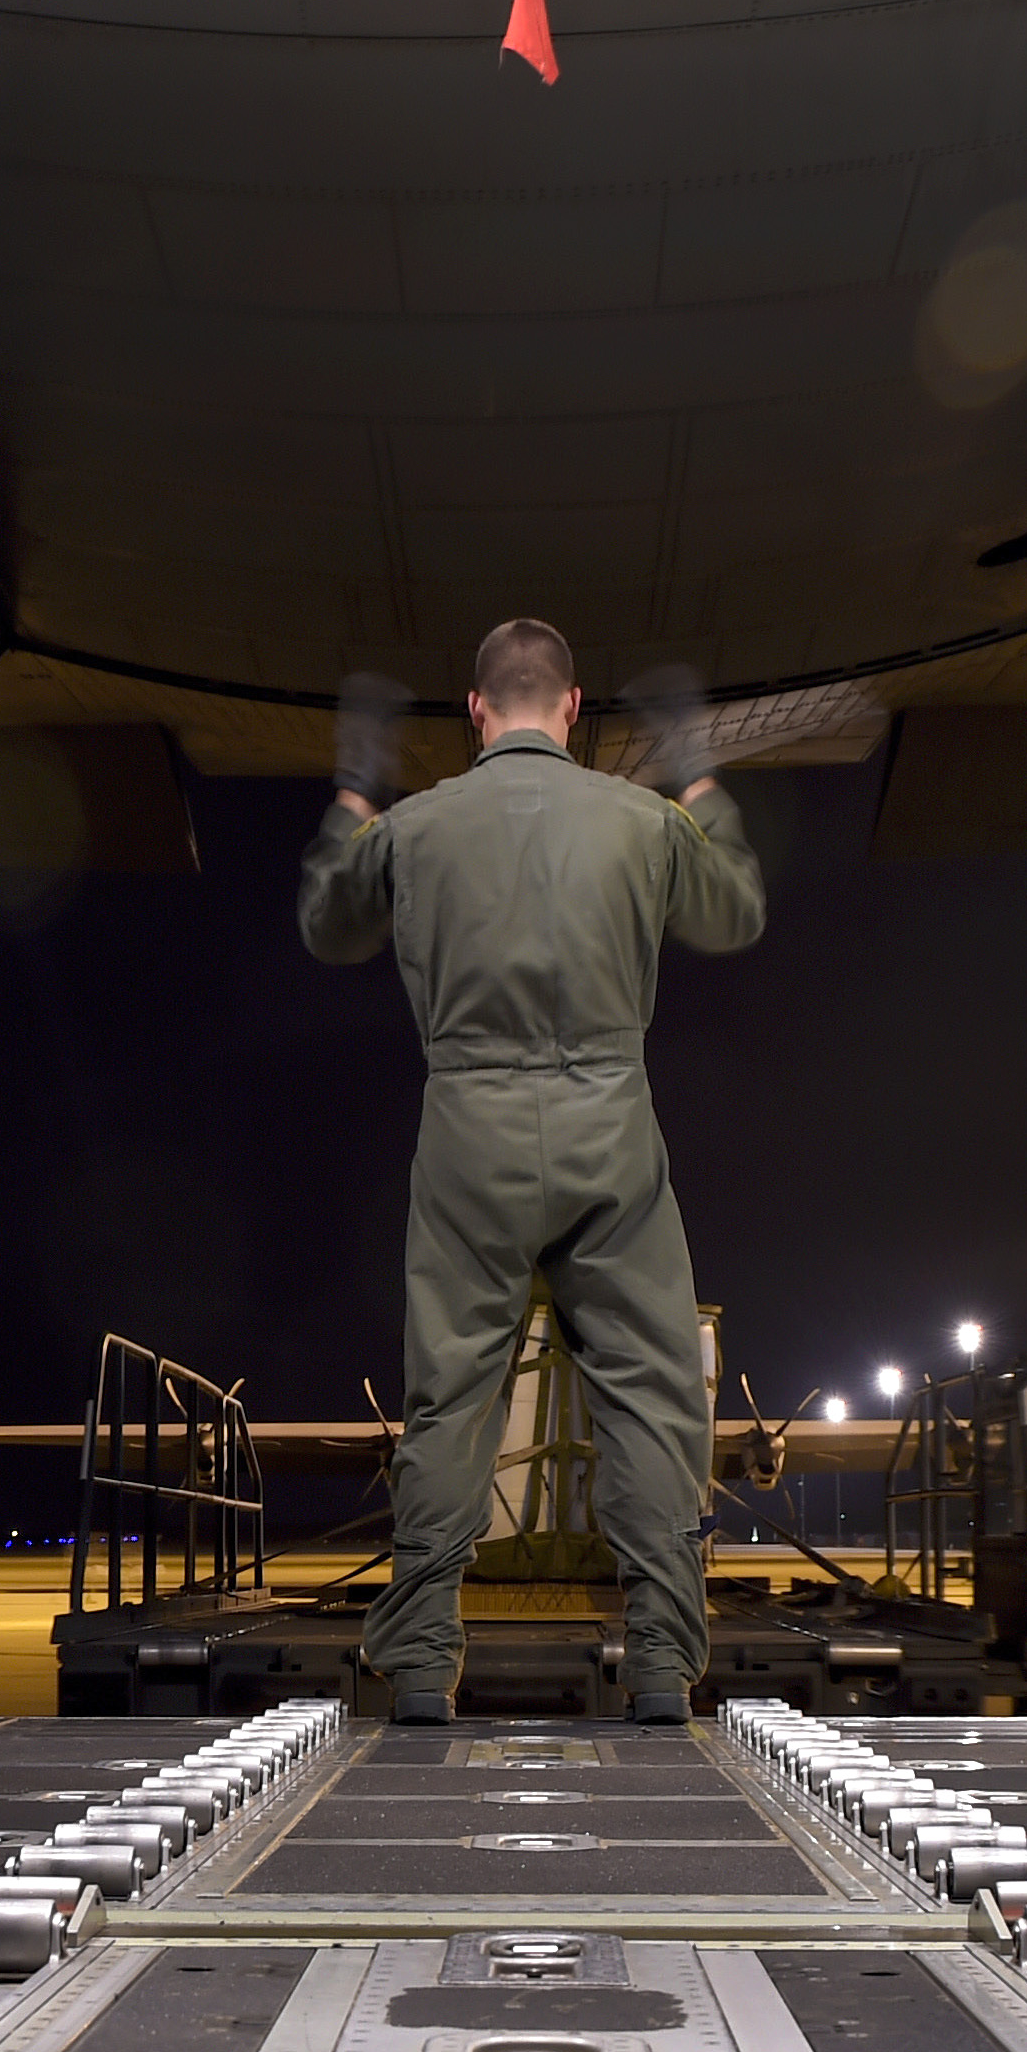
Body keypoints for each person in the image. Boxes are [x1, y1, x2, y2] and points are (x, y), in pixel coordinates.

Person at [299, 622, 766, 1725]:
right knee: (650, 1399)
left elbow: (328, 926)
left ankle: (420, 1665)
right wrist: (697, 772)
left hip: (467, 1123)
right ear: (572, 705)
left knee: (450, 1398)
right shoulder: (641, 819)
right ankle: (659, 1666)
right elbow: (736, 911)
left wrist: (356, 795)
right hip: (610, 1115)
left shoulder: (418, 826)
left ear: (474, 709)